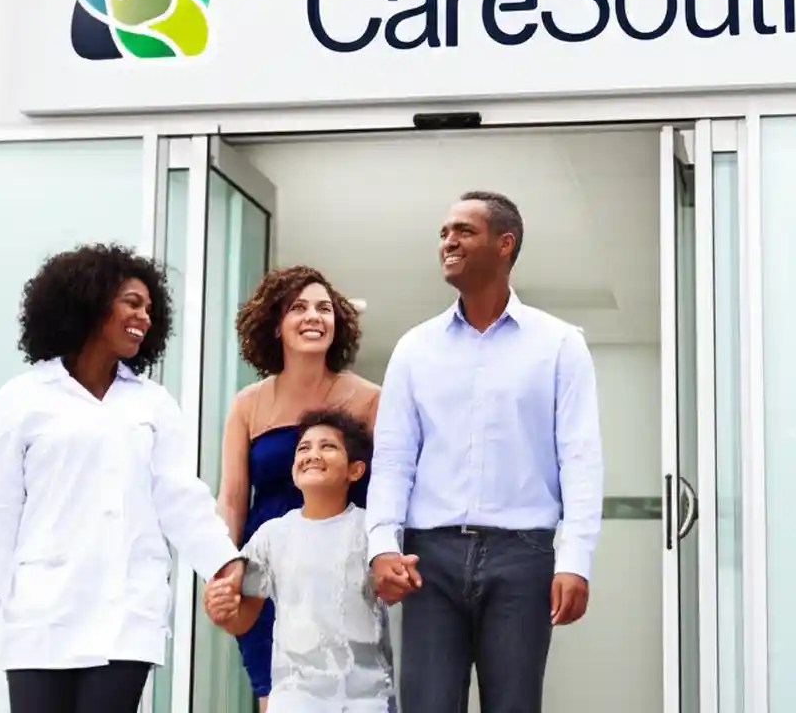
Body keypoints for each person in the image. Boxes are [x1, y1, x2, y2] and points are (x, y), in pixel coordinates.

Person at [0, 243, 245, 713]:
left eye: (150, 308)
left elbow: (179, 496)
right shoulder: (23, 399)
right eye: (132, 302)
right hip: (43, 607)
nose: (145, 317)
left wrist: (222, 562)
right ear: (89, 304)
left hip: (125, 609)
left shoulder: (152, 403)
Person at [365, 191, 605, 712]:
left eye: (463, 231)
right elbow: (393, 460)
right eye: (443, 232)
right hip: (428, 559)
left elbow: (581, 460)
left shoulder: (560, 344)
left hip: (525, 558)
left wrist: (576, 560)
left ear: (505, 244)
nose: (448, 241)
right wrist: (382, 544)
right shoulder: (414, 348)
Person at [217, 265, 381, 710]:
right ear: (276, 323)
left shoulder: (368, 399)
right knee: (277, 697)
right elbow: (232, 498)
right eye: (299, 308)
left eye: (324, 308)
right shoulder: (248, 404)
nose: (314, 316)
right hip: (265, 570)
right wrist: (223, 568)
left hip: (337, 578)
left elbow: (386, 491)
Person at [204, 409, 396, 713]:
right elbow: (244, 617)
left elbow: (394, 595)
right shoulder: (271, 536)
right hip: (294, 697)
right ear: (293, 468)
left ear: (355, 470)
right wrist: (223, 610)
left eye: (328, 446)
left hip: (366, 699)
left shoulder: (372, 531)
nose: (312, 454)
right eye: (303, 448)